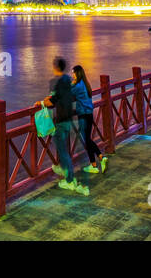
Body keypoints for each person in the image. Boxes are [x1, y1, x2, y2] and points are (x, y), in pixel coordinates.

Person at [37, 57, 89, 195]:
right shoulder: (69, 81)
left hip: (60, 120)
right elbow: (67, 97)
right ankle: (64, 169)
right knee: (63, 148)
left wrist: (41, 103)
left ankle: (70, 179)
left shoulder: (56, 82)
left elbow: (52, 101)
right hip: (70, 118)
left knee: (62, 149)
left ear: (55, 67)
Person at [71, 64, 107, 174]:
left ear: (77, 73)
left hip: (83, 115)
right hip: (89, 113)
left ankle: (99, 159)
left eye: (73, 73)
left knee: (87, 140)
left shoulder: (77, 86)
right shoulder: (85, 84)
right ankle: (95, 162)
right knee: (87, 139)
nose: (72, 75)